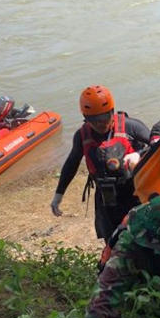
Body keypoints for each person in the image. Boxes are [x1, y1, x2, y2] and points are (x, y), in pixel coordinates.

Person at [50, 85, 150, 241]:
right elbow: (71, 164)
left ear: (112, 111)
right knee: (113, 241)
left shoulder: (131, 127)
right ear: (85, 117)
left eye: (105, 118)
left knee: (142, 239)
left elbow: (158, 144)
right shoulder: (82, 136)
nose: (101, 124)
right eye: (94, 120)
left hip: (134, 195)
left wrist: (139, 154)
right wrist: (58, 195)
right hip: (107, 201)